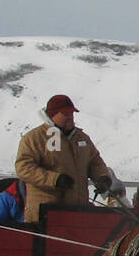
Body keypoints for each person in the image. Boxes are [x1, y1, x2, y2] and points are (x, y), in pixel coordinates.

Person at [14, 94, 112, 222]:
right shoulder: (34, 138)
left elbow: (95, 162)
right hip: (46, 214)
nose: (70, 117)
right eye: (66, 113)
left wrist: (102, 177)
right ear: (53, 115)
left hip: (78, 212)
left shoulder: (82, 138)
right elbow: (23, 168)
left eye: (72, 113)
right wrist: (54, 179)